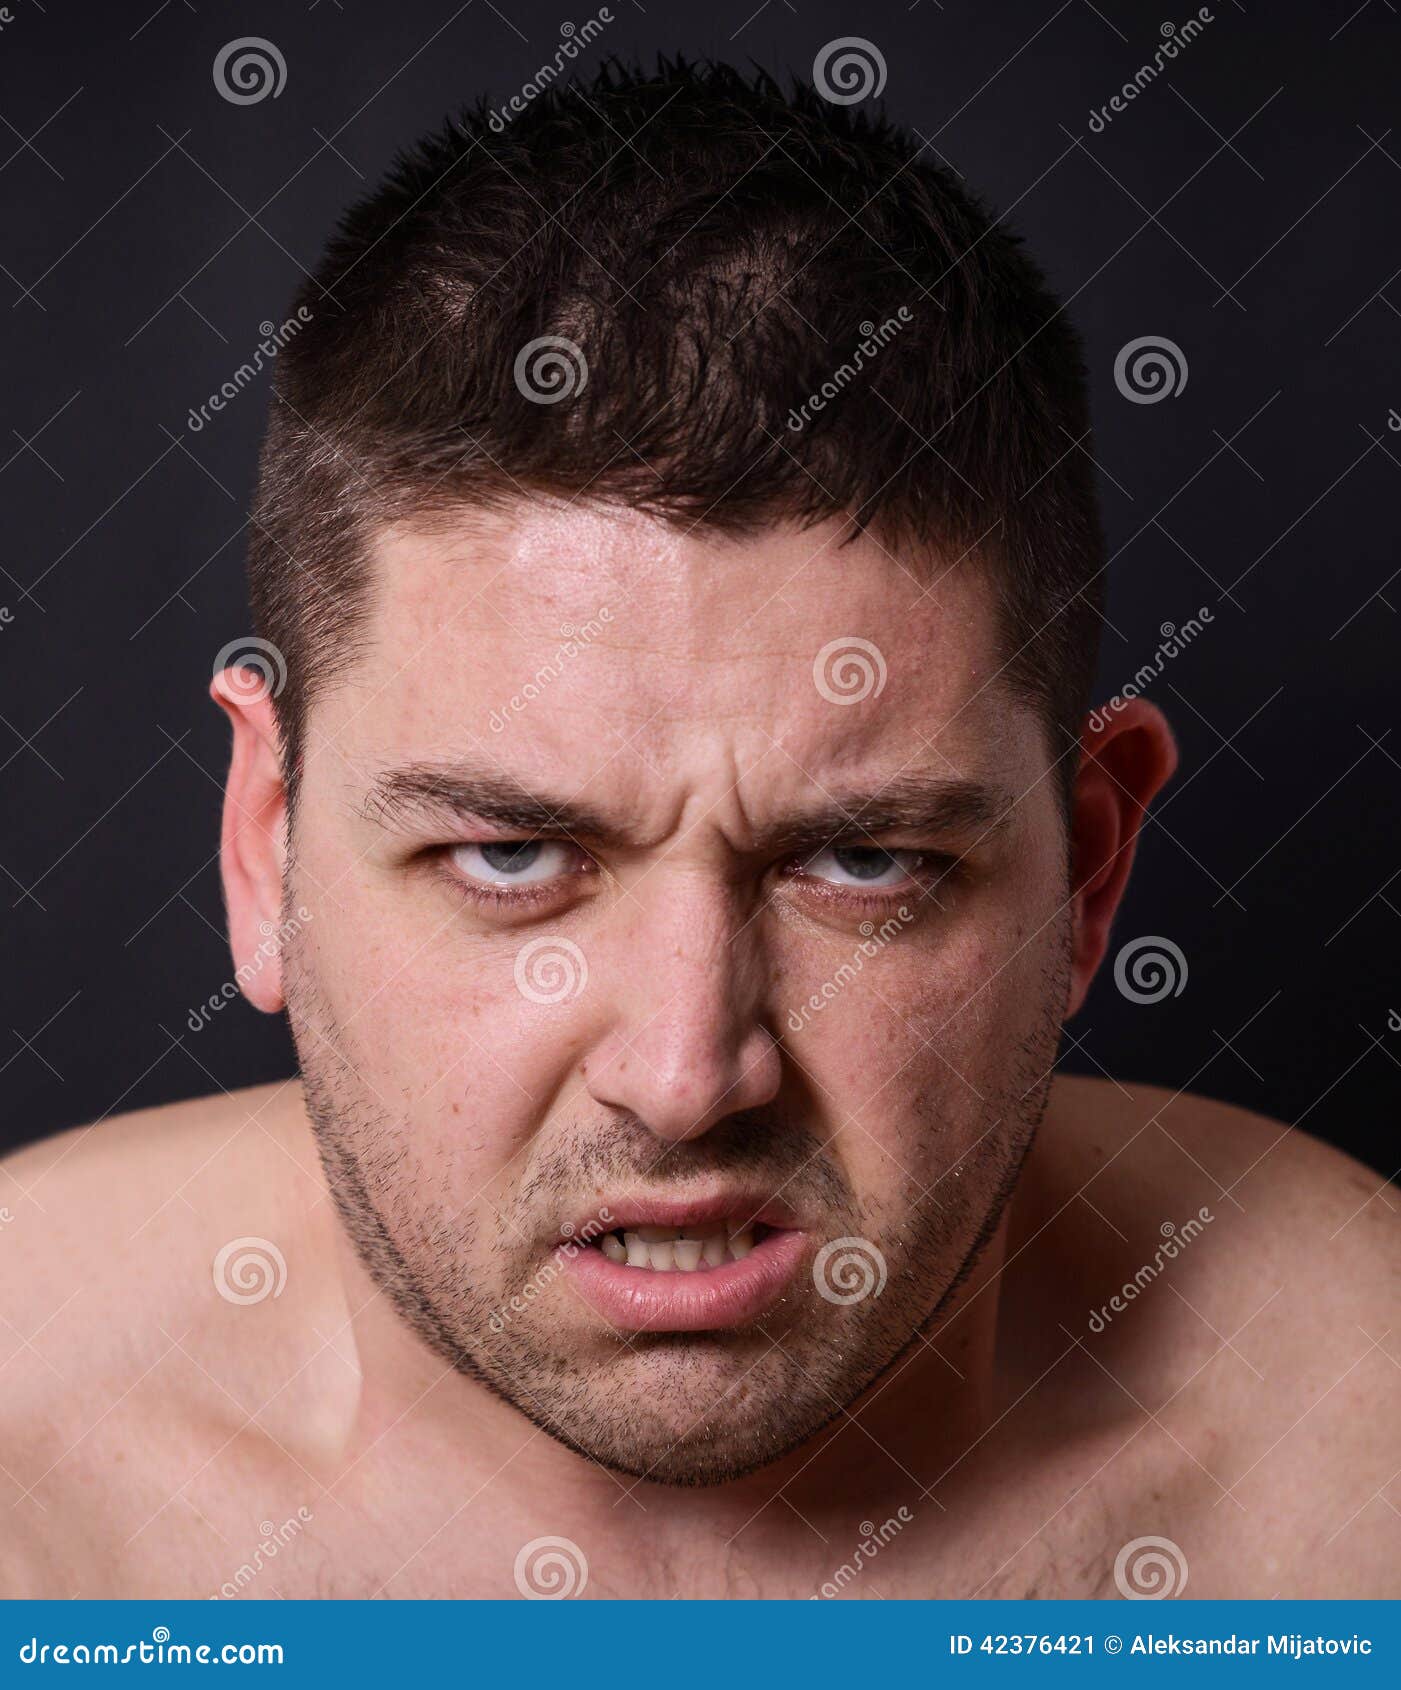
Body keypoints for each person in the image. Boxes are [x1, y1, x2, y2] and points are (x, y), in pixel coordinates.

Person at [2, 59, 1395, 1602]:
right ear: (265, 850)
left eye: (862, 862)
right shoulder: (38, 1506)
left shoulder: (1347, 1495)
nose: (682, 1077)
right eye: (511, 856)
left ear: (1088, 870)